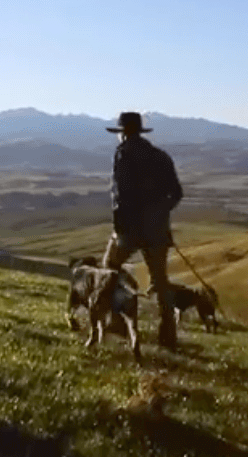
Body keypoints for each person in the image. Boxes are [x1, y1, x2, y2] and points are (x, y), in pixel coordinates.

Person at [101, 111, 185, 351]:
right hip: (157, 229)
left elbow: (120, 195)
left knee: (109, 269)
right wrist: (160, 214)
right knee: (161, 281)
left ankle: (115, 321)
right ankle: (168, 335)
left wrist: (119, 229)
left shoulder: (123, 154)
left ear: (123, 134)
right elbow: (176, 193)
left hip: (130, 228)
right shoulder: (160, 156)